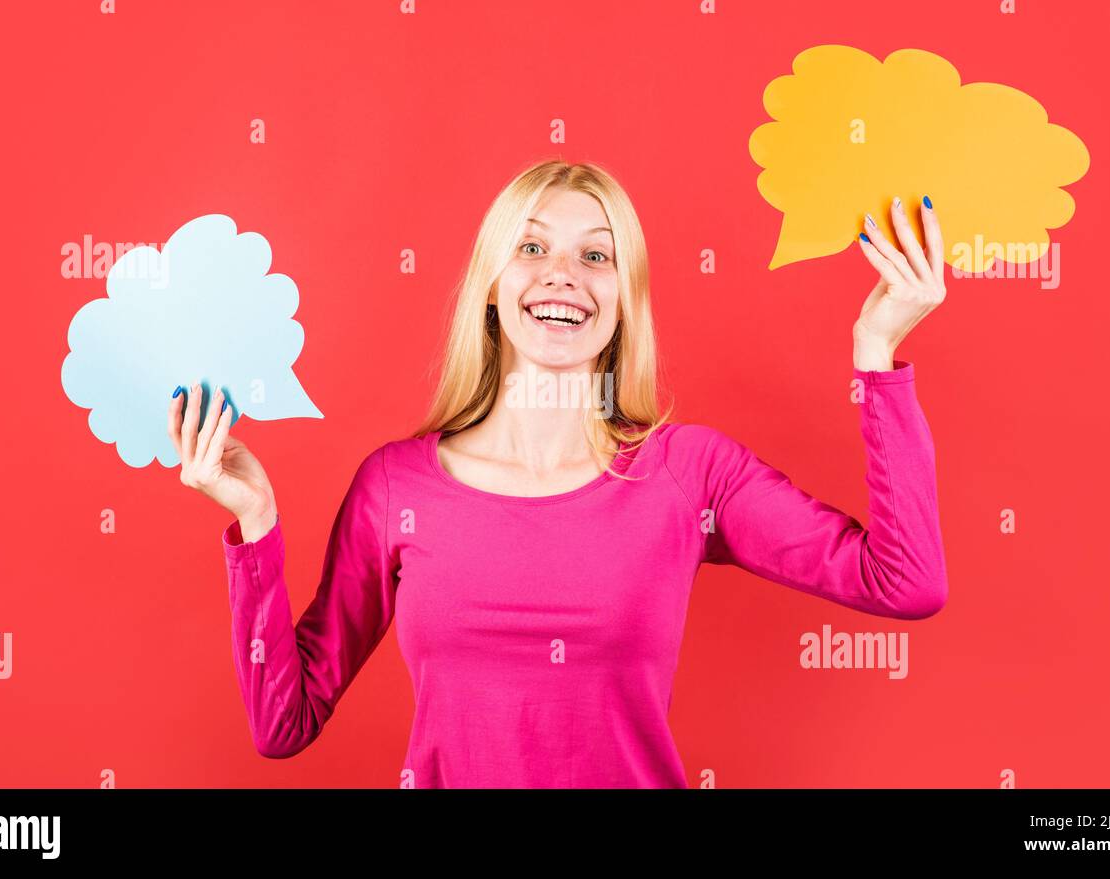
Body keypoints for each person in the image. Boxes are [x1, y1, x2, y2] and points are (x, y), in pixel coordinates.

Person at [166, 160, 949, 788]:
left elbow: (905, 581)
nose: (562, 274)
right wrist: (257, 521)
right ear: (492, 287)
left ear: (623, 298)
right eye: (532, 247)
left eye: (596, 254)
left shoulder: (688, 473)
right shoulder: (395, 487)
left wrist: (876, 350)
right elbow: (282, 725)